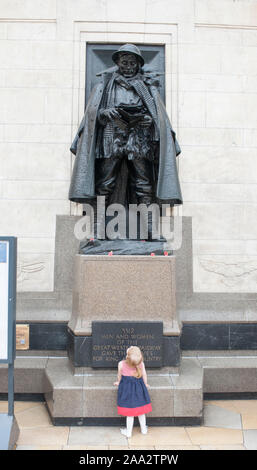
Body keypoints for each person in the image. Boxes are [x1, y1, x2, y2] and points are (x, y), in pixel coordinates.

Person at [69, 43, 182, 240]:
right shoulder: (104, 85)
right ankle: (97, 229)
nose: (128, 66)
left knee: (144, 184)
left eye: (132, 62)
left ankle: (151, 230)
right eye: (124, 62)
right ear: (118, 63)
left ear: (138, 65)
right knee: (104, 183)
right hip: (112, 137)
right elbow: (93, 114)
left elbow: (159, 117)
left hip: (139, 139)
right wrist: (105, 113)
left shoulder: (147, 87)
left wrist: (149, 120)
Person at [114, 346, 152, 438]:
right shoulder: (141, 364)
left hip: (127, 391)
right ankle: (143, 429)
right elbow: (144, 375)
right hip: (139, 390)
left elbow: (119, 376)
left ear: (127, 356)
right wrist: (146, 384)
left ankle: (128, 432)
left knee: (130, 414)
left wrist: (118, 382)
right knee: (141, 411)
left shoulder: (121, 364)